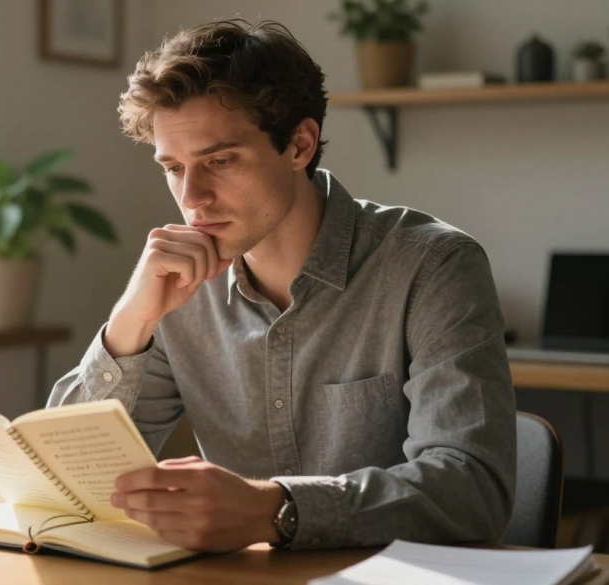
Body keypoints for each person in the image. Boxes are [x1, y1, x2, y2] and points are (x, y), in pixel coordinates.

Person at [48, 19, 516, 553]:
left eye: (219, 160)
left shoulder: (433, 265)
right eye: (173, 167)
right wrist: (131, 321)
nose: (192, 196)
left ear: (299, 144)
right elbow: (61, 478)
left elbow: (473, 490)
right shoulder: (177, 285)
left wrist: (276, 509)